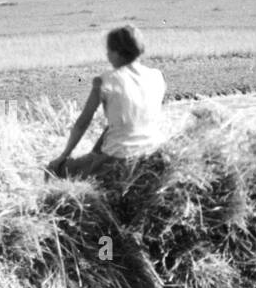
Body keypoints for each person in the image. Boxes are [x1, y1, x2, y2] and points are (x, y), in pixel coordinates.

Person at [47, 25, 168, 179]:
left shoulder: (105, 81)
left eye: (109, 51)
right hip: (153, 154)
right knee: (111, 130)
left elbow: (82, 123)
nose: (107, 55)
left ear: (118, 52)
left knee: (52, 170)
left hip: (118, 160)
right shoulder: (158, 76)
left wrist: (63, 156)